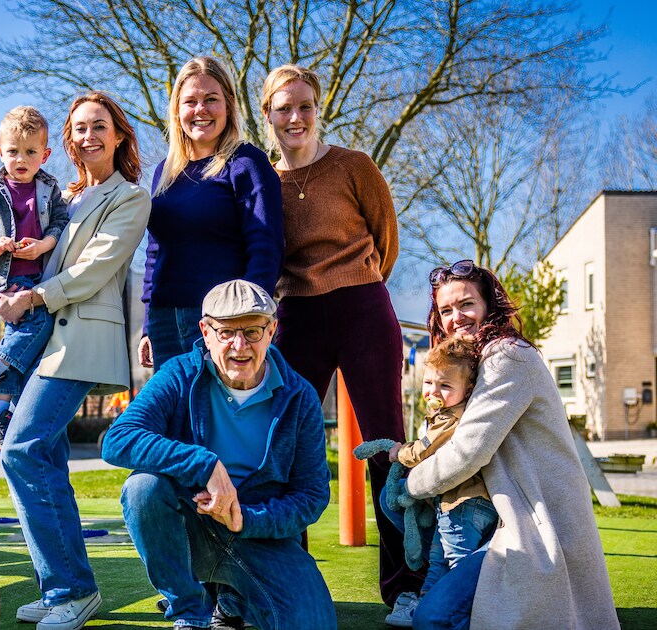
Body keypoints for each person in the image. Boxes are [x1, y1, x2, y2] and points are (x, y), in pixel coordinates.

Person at [260, 63, 421, 622]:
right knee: (287, 447)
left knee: (386, 446)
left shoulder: (355, 166)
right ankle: (291, 581)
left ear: (317, 109)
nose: (296, 117)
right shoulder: (263, 181)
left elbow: (386, 239)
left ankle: (405, 587)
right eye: (284, 108)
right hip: (296, 316)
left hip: (362, 308)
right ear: (268, 115)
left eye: (305, 106)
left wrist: (359, 287)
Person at [0, 91, 150, 630]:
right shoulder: (68, 196)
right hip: (44, 341)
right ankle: (61, 589)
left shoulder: (129, 197)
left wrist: (31, 299)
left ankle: (73, 589)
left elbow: (93, 271)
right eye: (78, 128)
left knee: (23, 449)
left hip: (80, 342)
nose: (88, 136)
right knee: (44, 458)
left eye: (99, 126)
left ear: (119, 135)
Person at [103, 279, 335, 629]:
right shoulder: (179, 373)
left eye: (253, 331)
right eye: (226, 332)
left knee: (313, 623)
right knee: (142, 489)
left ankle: (229, 599)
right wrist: (205, 463)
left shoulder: (299, 396)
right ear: (205, 332)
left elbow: (312, 495)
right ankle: (189, 611)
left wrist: (246, 518)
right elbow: (118, 439)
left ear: (272, 330)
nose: (239, 346)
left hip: (256, 531)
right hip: (190, 520)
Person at [407, 260, 618, 629]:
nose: (456, 317)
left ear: (488, 304)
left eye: (466, 304)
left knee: (435, 617)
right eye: (446, 310)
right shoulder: (475, 364)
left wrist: (409, 483)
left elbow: (467, 453)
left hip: (533, 520)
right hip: (501, 510)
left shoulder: (506, 355)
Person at [138, 56, 283, 370]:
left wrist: (247, 320)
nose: (200, 109)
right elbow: (154, 251)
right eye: (190, 101)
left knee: (214, 415)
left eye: (211, 99)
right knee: (175, 417)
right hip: (165, 320)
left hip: (224, 322)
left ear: (228, 105)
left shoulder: (246, 163)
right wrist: (149, 325)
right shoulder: (165, 171)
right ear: (177, 111)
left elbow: (266, 246)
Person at [0, 105, 70, 450]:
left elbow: (60, 225)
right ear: (0, 152)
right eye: (12, 152)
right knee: (38, 325)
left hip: (38, 274)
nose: (20, 159)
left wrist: (43, 246)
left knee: (27, 342)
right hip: (4, 281)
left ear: (45, 154)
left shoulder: (50, 189)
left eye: (30, 152)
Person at [381, 336, 497, 624]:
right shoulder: (455, 414)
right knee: (439, 559)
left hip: (461, 505)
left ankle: (465, 617)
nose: (434, 391)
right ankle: (427, 608)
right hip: (458, 506)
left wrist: (400, 453)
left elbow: (424, 449)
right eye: (429, 383)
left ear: (467, 389)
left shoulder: (451, 418)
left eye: (445, 386)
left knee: (457, 567)